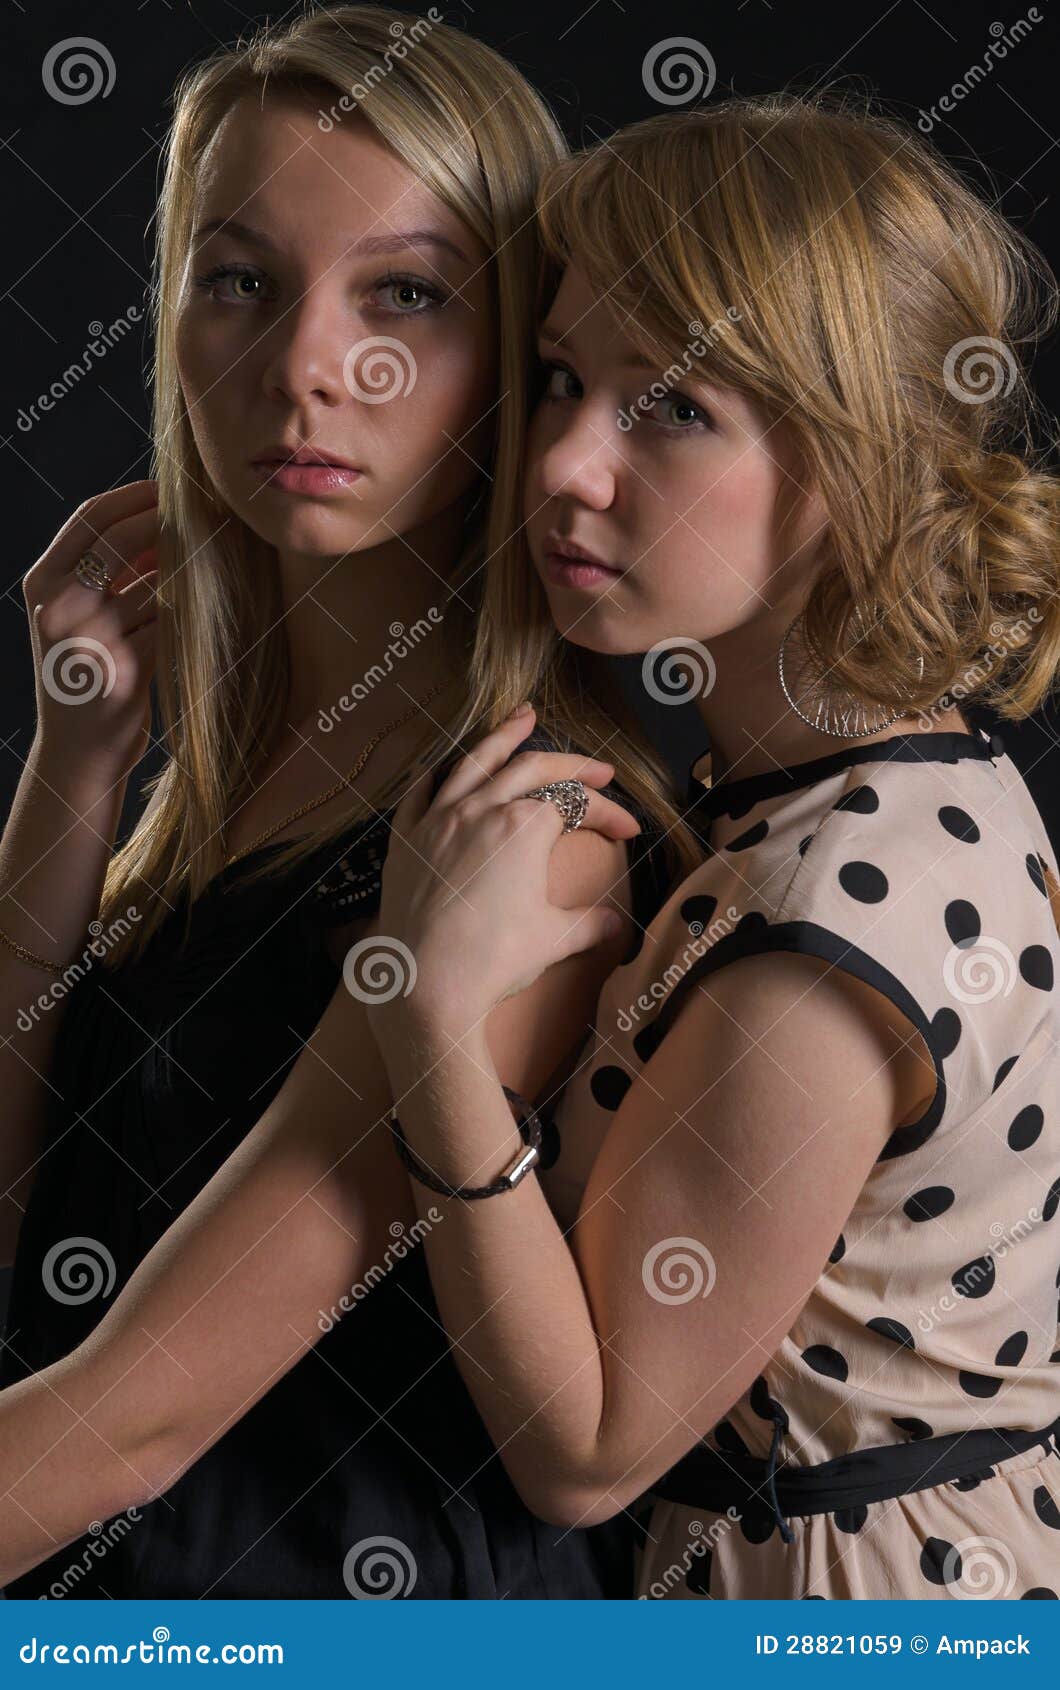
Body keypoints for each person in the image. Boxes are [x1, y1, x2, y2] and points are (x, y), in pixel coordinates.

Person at [0, 8, 694, 1599]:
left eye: (406, 295)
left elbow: (135, 1418)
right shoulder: (220, 779)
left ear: (518, 346)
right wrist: (78, 769)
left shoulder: (538, 828)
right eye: (239, 279)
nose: (310, 365)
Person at [361, 92, 1060, 1601]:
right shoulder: (836, 790)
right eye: (559, 379)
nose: (563, 465)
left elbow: (587, 1444)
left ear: (854, 452)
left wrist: (422, 1015)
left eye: (670, 406)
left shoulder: (843, 901)